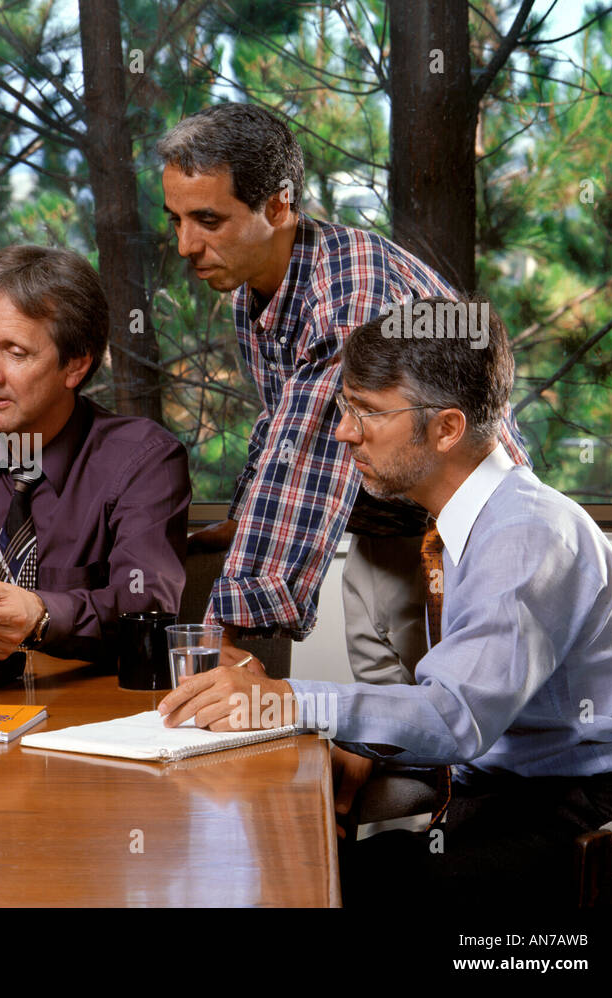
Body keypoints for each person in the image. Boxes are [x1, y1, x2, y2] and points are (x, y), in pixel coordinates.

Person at [158, 298, 612, 905]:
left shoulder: (526, 535)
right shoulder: (473, 521)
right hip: (507, 785)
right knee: (303, 862)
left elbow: (456, 717)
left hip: (578, 805)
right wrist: (371, 749)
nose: (344, 432)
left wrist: (284, 700)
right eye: (345, 407)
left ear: (447, 429)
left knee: (320, 884)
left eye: (368, 412)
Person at [158, 103, 530, 686]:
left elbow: (309, 451)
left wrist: (226, 629)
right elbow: (283, 422)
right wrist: (242, 519)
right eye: (176, 220)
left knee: (455, 722)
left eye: (208, 220)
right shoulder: (252, 294)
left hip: (459, 537)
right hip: (386, 525)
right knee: (384, 720)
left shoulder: (350, 296)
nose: (186, 245)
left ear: (278, 205)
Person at [0, 245, 190, 665]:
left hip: (78, 701)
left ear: (75, 365)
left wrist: (44, 615)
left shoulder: (144, 462)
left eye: (15, 352)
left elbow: (146, 606)